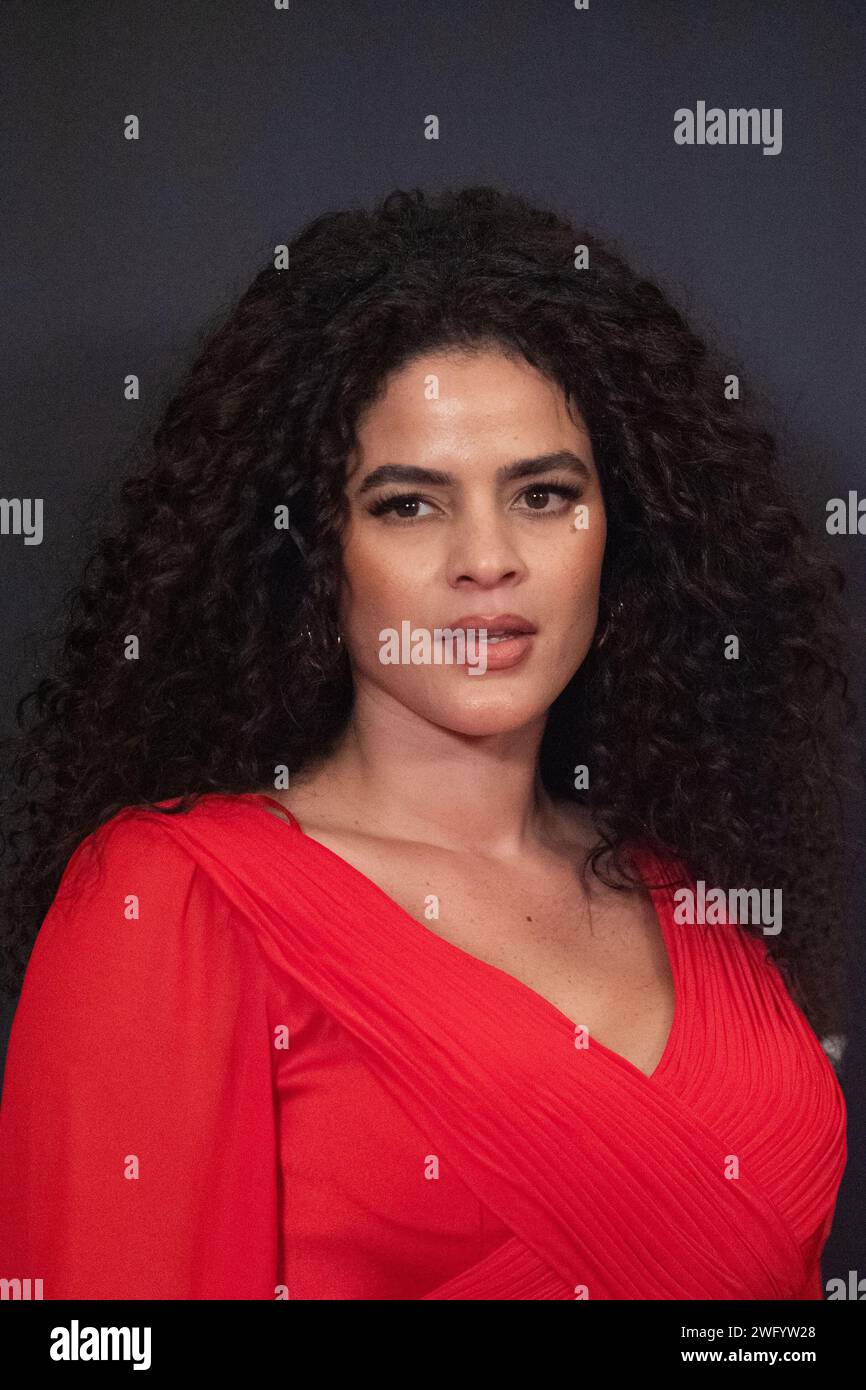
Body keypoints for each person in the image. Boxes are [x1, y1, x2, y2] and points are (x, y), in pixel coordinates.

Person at [0, 185, 852, 1300]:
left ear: (621, 529)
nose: (485, 558)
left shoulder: (688, 878)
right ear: (309, 551)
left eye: (542, 494)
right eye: (409, 504)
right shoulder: (173, 897)